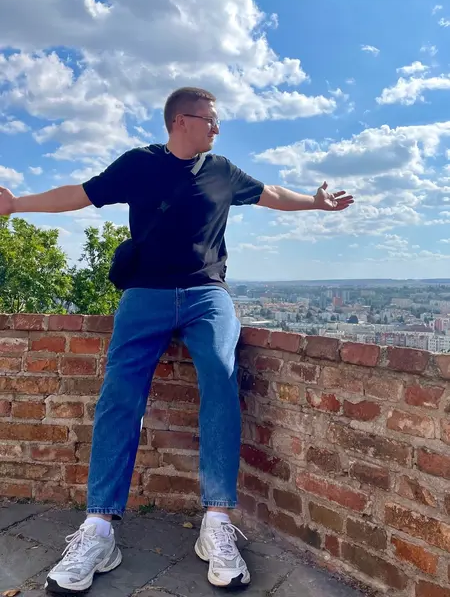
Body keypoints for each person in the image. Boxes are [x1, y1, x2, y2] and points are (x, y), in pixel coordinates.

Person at [0, 87, 354, 594]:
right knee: (119, 392)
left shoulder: (222, 170)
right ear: (180, 121)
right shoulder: (140, 164)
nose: (217, 128)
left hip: (207, 293)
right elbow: (81, 193)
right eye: (210, 120)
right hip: (145, 293)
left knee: (220, 375)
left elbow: (271, 193)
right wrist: (16, 205)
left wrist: (316, 204)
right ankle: (99, 529)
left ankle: (216, 523)